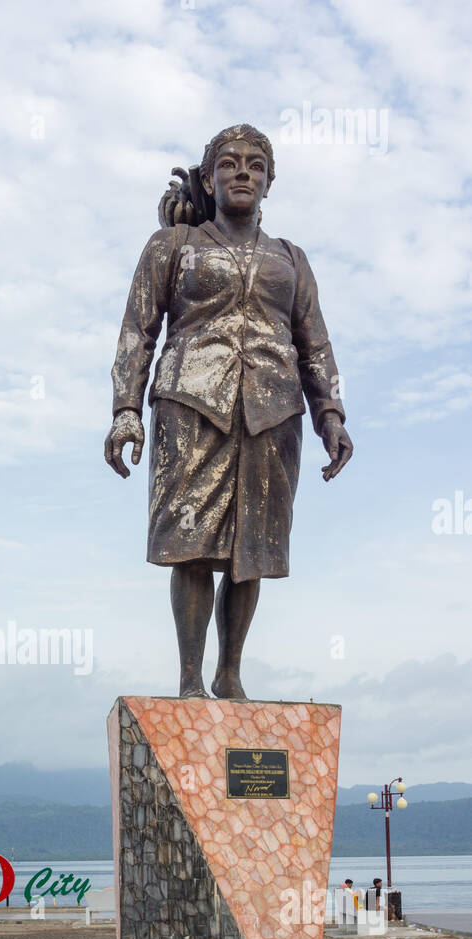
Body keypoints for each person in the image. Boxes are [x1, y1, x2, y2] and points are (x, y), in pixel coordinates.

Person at [104, 123, 353, 699]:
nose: (243, 172)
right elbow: (137, 332)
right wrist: (125, 409)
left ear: (270, 183)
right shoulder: (173, 247)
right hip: (190, 405)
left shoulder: (291, 258)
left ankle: (230, 670)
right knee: (188, 543)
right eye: (229, 163)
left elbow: (314, 343)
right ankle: (191, 676)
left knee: (253, 550)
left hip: (272, 412)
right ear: (210, 178)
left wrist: (331, 415)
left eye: (256, 165)